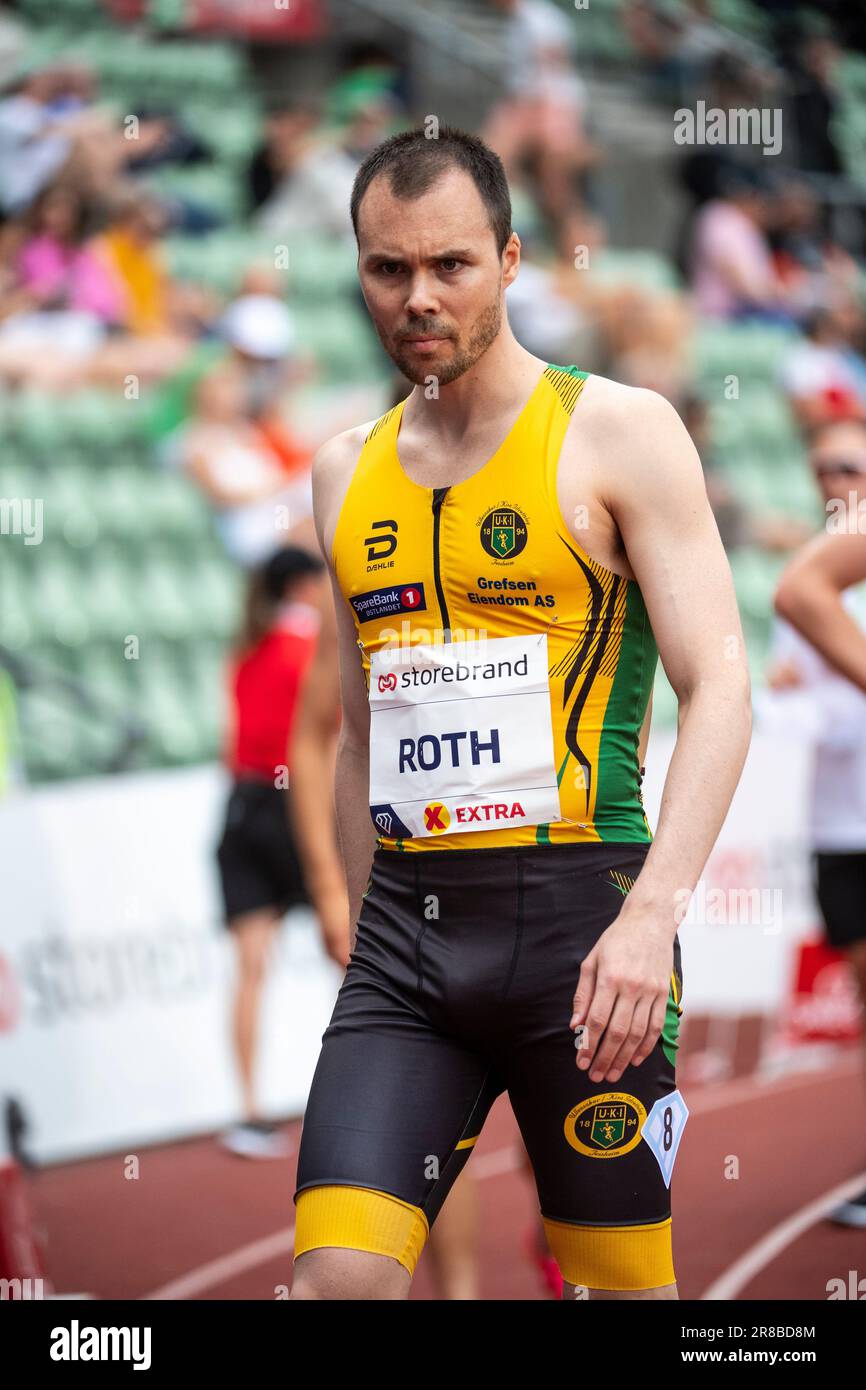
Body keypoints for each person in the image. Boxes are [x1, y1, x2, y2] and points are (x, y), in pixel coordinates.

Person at [289, 125, 752, 1301]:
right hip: (406, 943)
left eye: (448, 265)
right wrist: (357, 927)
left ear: (509, 257)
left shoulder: (618, 430)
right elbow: (356, 732)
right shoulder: (344, 468)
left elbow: (720, 686)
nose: (417, 298)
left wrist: (651, 919)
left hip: (582, 934)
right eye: (386, 269)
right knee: (337, 1279)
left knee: (615, 1294)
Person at [763, 419, 866, 1229]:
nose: (833, 479)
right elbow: (789, 719)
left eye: (848, 465)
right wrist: (795, 699)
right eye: (822, 467)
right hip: (839, 821)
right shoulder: (811, 581)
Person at [217, 546, 326, 1159]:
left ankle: (248, 1109)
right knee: (352, 950)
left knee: (251, 968)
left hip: (242, 805)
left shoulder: (244, 645)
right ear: (307, 587)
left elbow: (226, 740)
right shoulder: (309, 644)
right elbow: (332, 731)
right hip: (295, 807)